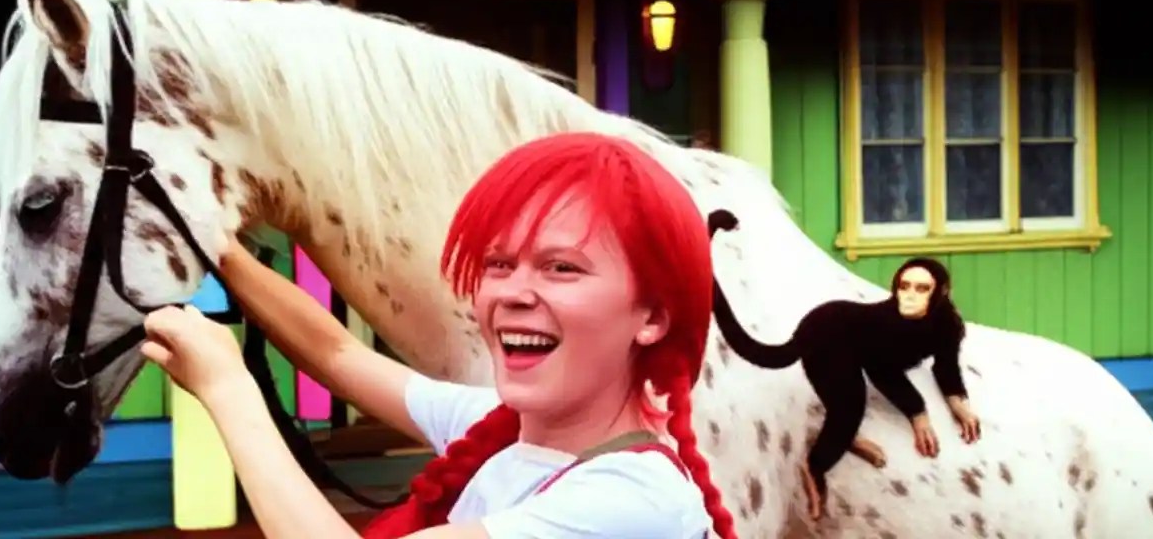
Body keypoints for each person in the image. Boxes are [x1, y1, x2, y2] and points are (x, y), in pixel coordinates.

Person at [139, 131, 737, 539]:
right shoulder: (498, 428)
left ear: (651, 318)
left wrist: (226, 388)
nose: (512, 292)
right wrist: (219, 247)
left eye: (562, 267)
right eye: (500, 264)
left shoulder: (634, 499)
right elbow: (337, 353)